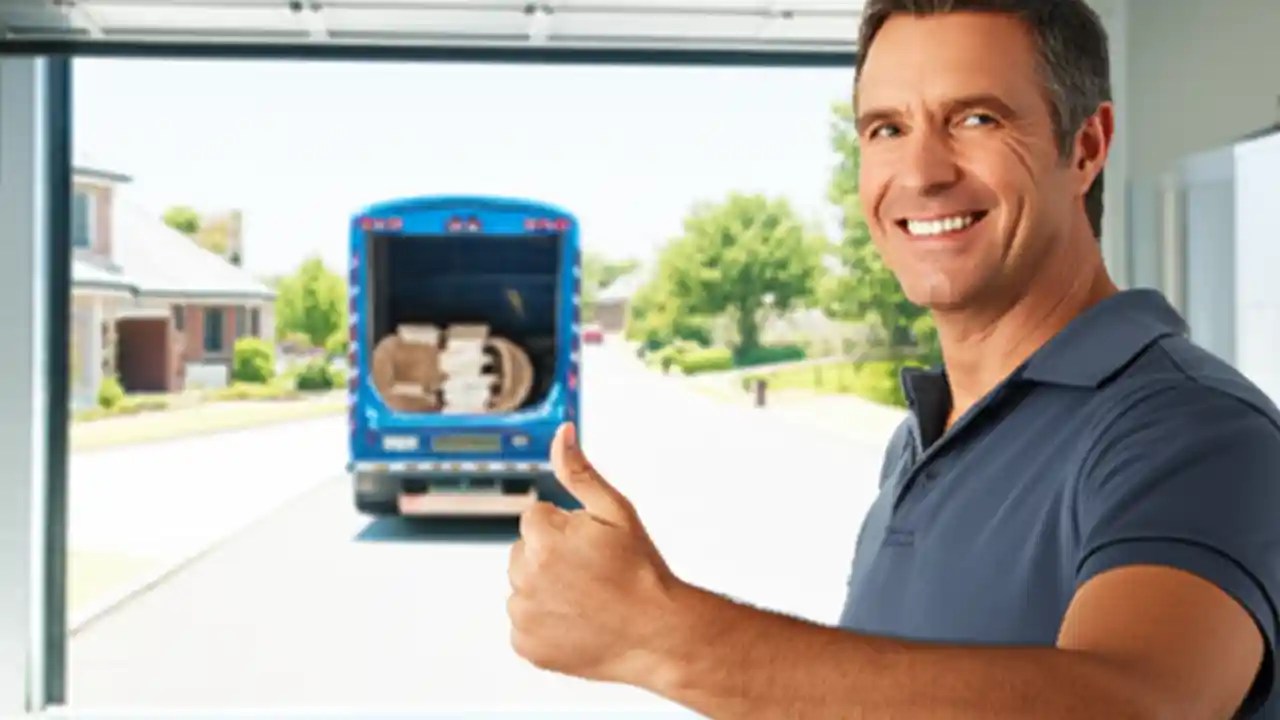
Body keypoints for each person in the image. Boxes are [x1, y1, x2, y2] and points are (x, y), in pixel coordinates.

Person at [506, 0, 1280, 716]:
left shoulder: (1197, 432)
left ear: (1085, 146)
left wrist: (661, 636)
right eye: (886, 129)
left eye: (975, 118)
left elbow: (1135, 705)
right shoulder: (921, 439)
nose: (922, 173)